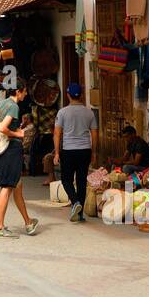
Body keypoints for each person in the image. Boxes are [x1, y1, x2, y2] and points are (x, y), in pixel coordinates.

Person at [0, 84, 38, 237]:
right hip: (11, 150)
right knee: (6, 187)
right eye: (25, 91)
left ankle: (28, 222)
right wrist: (17, 134)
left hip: (2, 149)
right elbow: (3, 128)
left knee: (17, 187)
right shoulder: (13, 106)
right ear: (18, 91)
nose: (25, 95)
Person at [53, 83, 98, 222]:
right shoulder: (89, 112)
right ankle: (79, 214)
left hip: (69, 150)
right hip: (85, 150)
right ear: (81, 96)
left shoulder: (63, 112)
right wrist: (94, 152)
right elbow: (95, 134)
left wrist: (56, 153)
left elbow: (57, 133)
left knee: (66, 180)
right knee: (81, 181)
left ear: (68, 95)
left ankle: (75, 202)